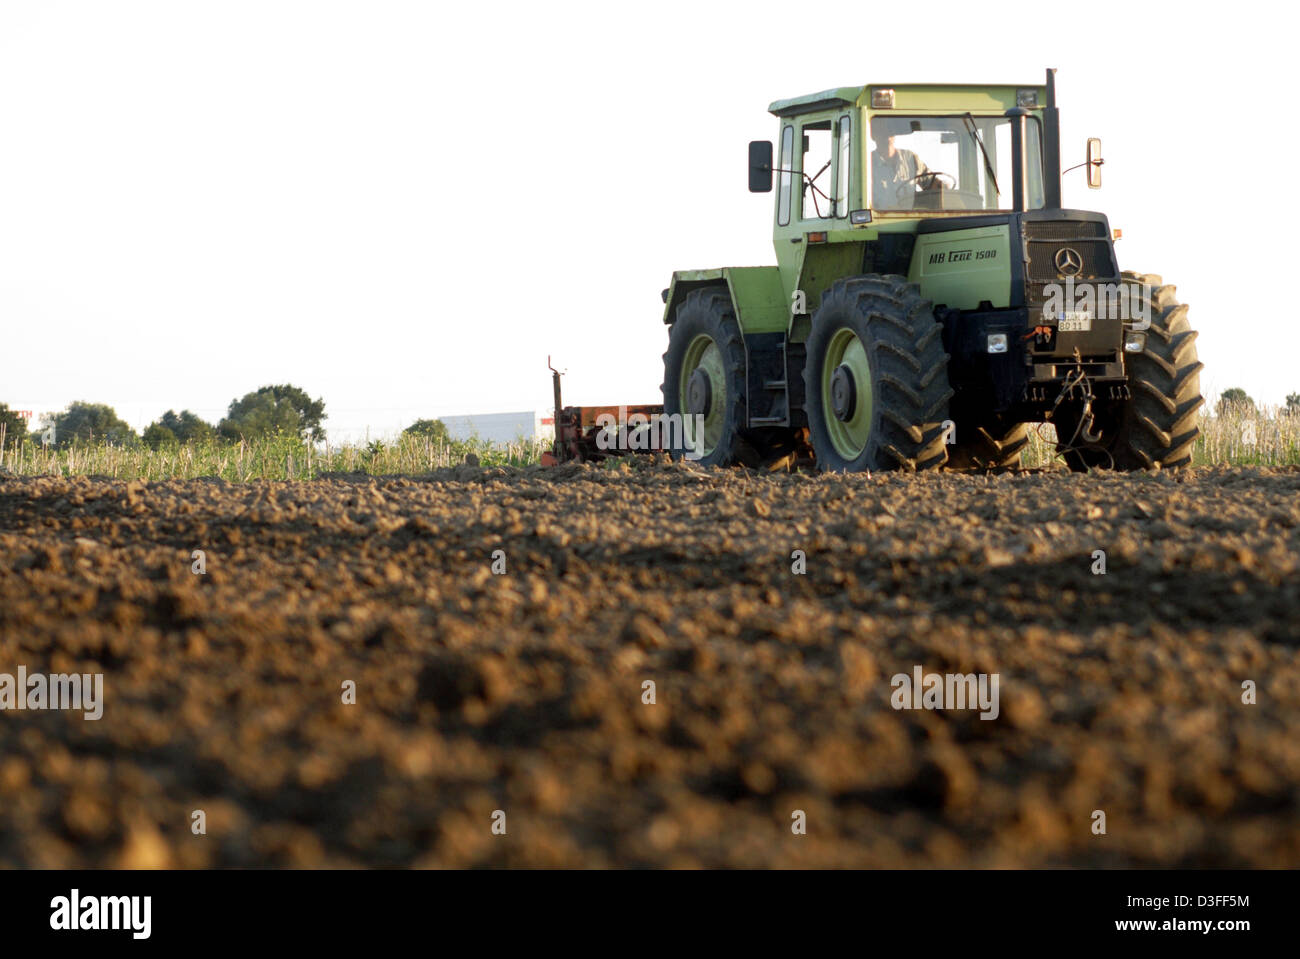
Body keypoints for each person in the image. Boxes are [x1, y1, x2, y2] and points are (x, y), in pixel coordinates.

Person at [870, 119, 931, 210]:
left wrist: (944, 188)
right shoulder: (866, 163)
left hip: (909, 220)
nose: (887, 135)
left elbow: (932, 184)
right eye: (882, 131)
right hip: (878, 222)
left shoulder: (911, 159)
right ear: (873, 135)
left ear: (895, 134)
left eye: (890, 131)